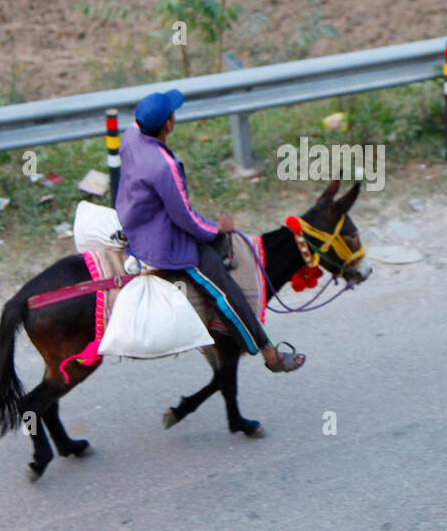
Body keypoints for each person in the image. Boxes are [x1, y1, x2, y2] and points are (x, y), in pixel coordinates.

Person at [115, 89, 305, 372]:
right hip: (161, 244)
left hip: (134, 221)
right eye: (171, 113)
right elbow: (185, 219)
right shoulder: (164, 166)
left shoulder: (130, 135)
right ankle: (269, 353)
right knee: (225, 291)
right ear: (169, 124)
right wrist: (218, 228)